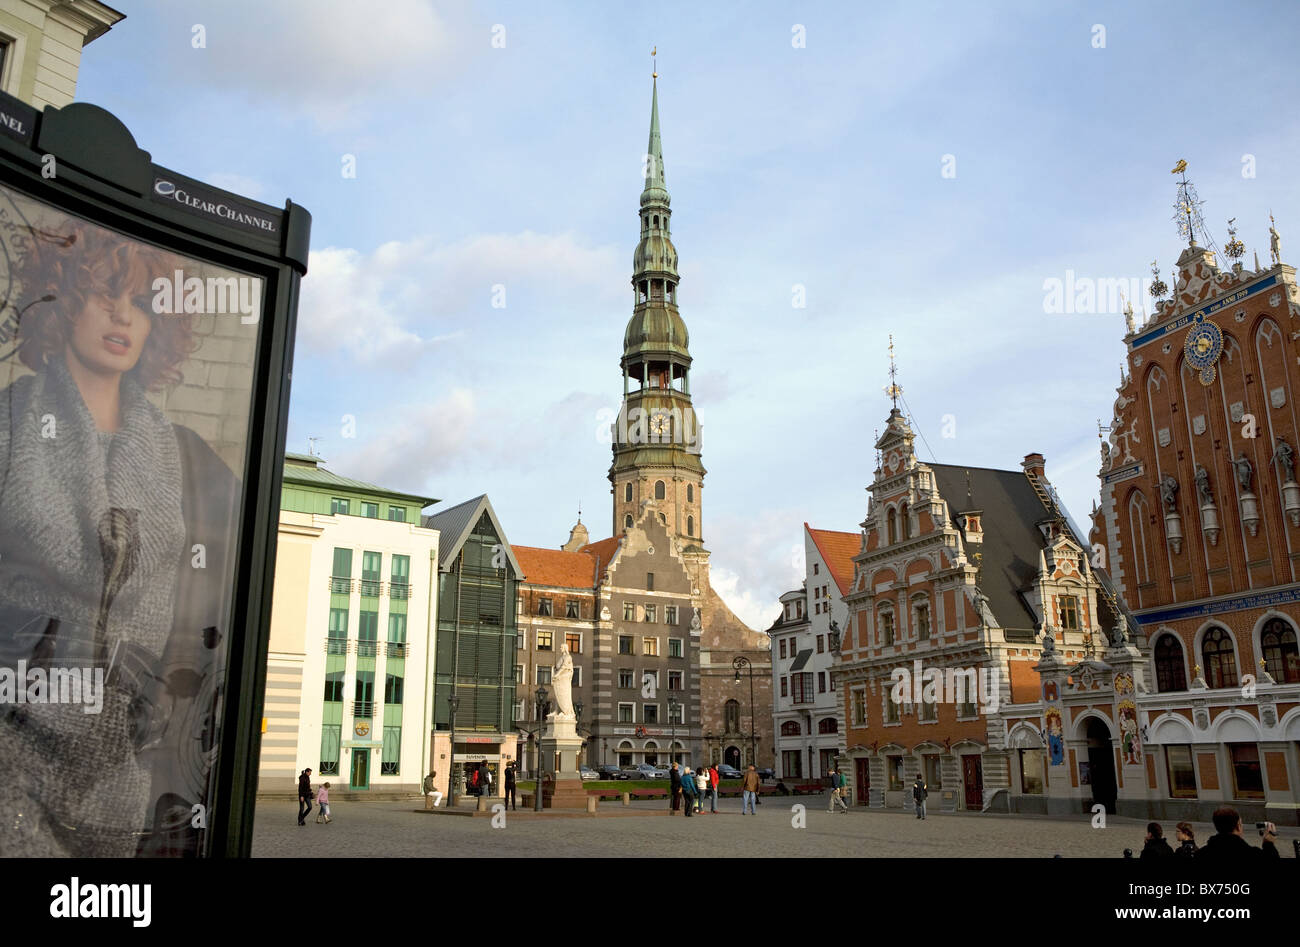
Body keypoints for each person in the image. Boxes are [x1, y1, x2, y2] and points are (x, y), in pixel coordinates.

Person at [0, 219, 242, 857]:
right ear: (63, 299)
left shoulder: (187, 462)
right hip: (10, 750)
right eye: (104, 292)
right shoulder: (10, 424)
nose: (122, 316)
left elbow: (212, 618)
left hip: (123, 778)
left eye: (140, 302)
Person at [1196, 807, 1280, 862]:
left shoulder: (1201, 853)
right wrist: (1268, 844)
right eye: (1241, 823)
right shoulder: (1252, 854)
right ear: (1238, 826)